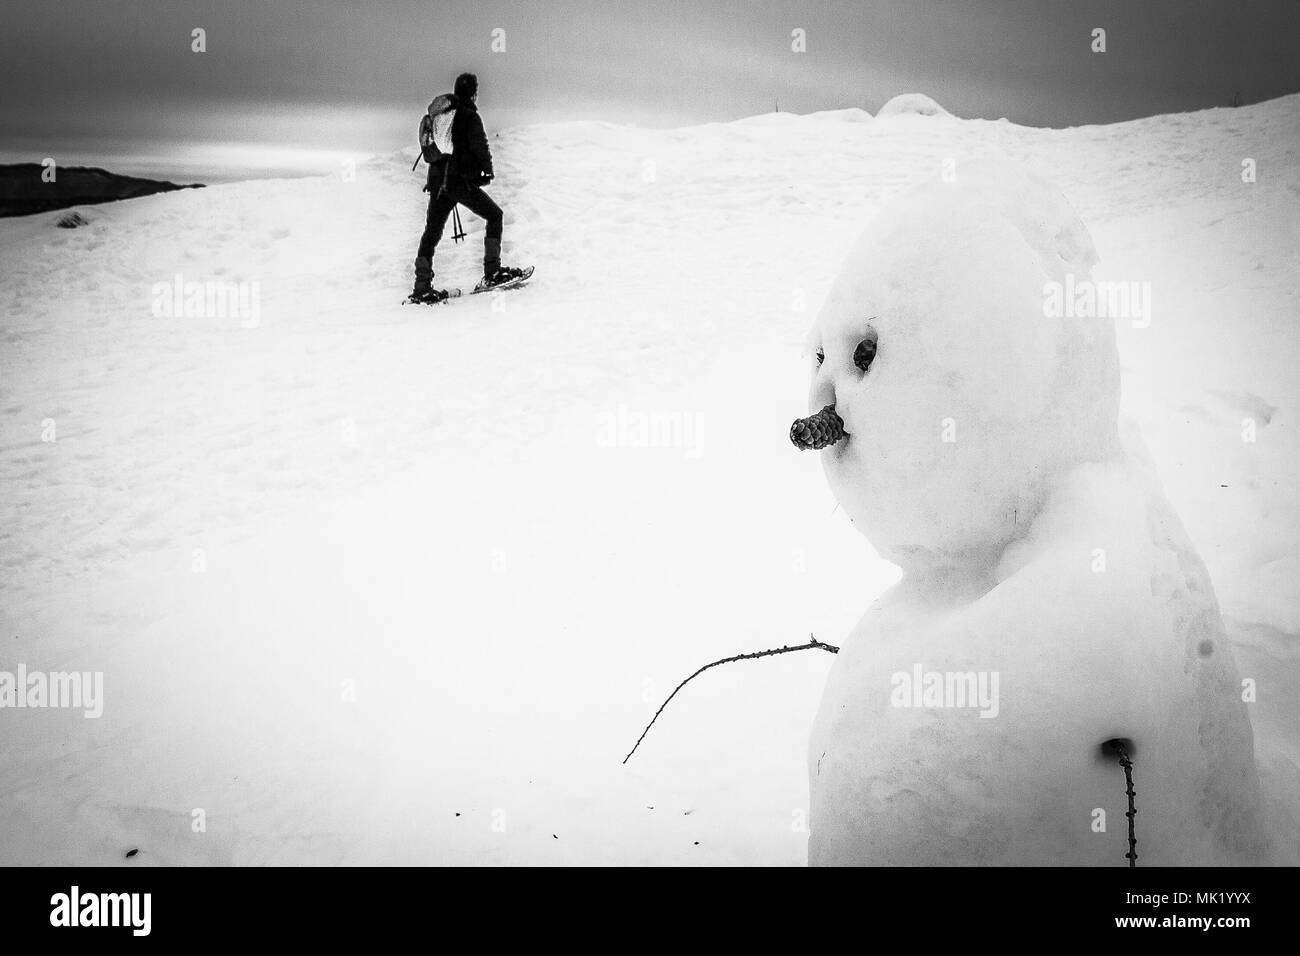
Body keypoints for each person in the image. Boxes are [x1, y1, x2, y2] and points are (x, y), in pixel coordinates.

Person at [410, 73, 527, 302]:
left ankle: (421, 286)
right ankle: (492, 272)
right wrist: (487, 170)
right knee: (495, 215)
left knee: (431, 233)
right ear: (474, 93)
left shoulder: (443, 116)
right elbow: (479, 145)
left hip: (438, 183)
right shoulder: (469, 116)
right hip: (458, 182)